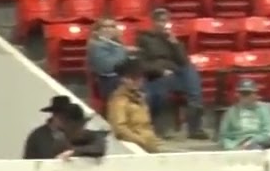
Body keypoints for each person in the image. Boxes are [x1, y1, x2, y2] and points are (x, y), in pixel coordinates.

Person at [136, 8, 208, 140]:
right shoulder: (144, 39)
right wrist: (161, 71)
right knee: (167, 86)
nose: (163, 24)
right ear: (153, 22)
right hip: (155, 77)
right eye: (160, 21)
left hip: (175, 74)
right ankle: (163, 129)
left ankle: (195, 128)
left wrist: (175, 44)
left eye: (166, 21)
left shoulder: (170, 39)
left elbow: (183, 61)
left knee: (190, 71)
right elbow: (142, 64)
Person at [23, 95, 108, 160]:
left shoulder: (81, 134)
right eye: (62, 116)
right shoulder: (38, 136)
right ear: (55, 116)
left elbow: (99, 147)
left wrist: (74, 152)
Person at [106, 59, 162, 154]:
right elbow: (120, 129)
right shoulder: (119, 100)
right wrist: (141, 141)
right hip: (134, 148)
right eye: (133, 78)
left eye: (139, 78)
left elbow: (146, 124)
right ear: (123, 79)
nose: (137, 81)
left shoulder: (139, 97)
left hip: (149, 143)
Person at [218, 78, 270, 151]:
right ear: (238, 95)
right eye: (243, 94)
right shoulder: (231, 113)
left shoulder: (263, 111)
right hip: (237, 145)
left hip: (257, 145)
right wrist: (232, 147)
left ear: (255, 94)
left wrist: (254, 140)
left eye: (248, 93)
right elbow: (224, 136)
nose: (246, 97)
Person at [87, 17, 132, 103]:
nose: (109, 29)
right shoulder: (95, 45)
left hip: (122, 78)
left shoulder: (117, 44)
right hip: (107, 81)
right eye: (105, 26)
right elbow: (108, 67)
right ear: (98, 30)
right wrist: (123, 50)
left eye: (112, 26)